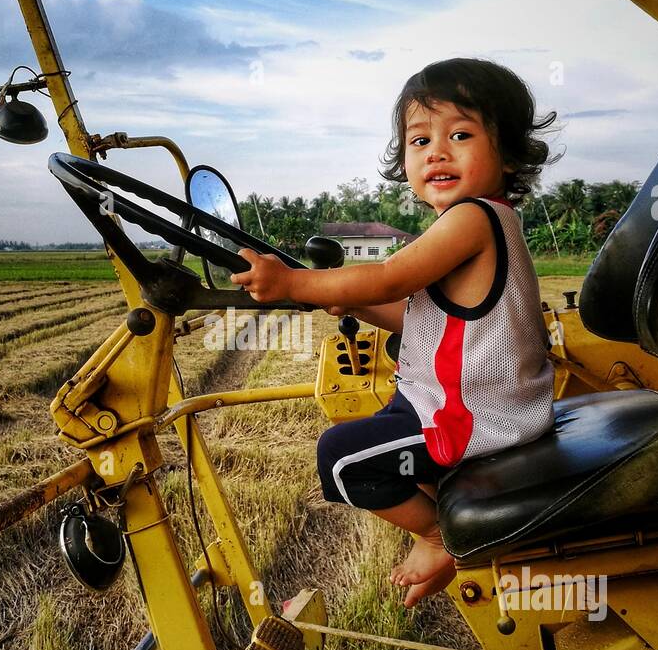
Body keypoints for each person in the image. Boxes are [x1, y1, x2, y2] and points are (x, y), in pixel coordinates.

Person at [231, 57, 557, 607]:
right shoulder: (485, 221)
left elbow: (387, 276)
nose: (437, 151)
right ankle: (440, 526)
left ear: (507, 153)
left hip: (475, 419)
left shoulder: (472, 218)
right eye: (419, 139)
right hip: (444, 399)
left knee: (340, 456)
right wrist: (345, 301)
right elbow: (423, 319)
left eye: (460, 134)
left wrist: (294, 281)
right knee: (376, 430)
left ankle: (439, 536)